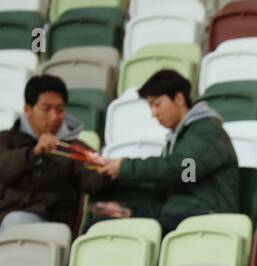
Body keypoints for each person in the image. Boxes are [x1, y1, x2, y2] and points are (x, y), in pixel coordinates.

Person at [94, 69, 239, 232]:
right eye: (151, 107)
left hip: (205, 218)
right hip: (179, 216)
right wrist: (127, 210)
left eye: (157, 104)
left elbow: (185, 173)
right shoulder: (177, 139)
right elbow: (166, 190)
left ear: (179, 98)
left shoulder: (208, 131)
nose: (154, 113)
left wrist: (126, 167)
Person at [0, 75, 109, 234]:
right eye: (46, 109)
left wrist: (107, 171)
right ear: (28, 110)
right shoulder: (6, 139)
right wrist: (34, 153)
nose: (54, 117)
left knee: (16, 221)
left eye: (60, 109)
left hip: (47, 227)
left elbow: (91, 180)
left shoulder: (75, 149)